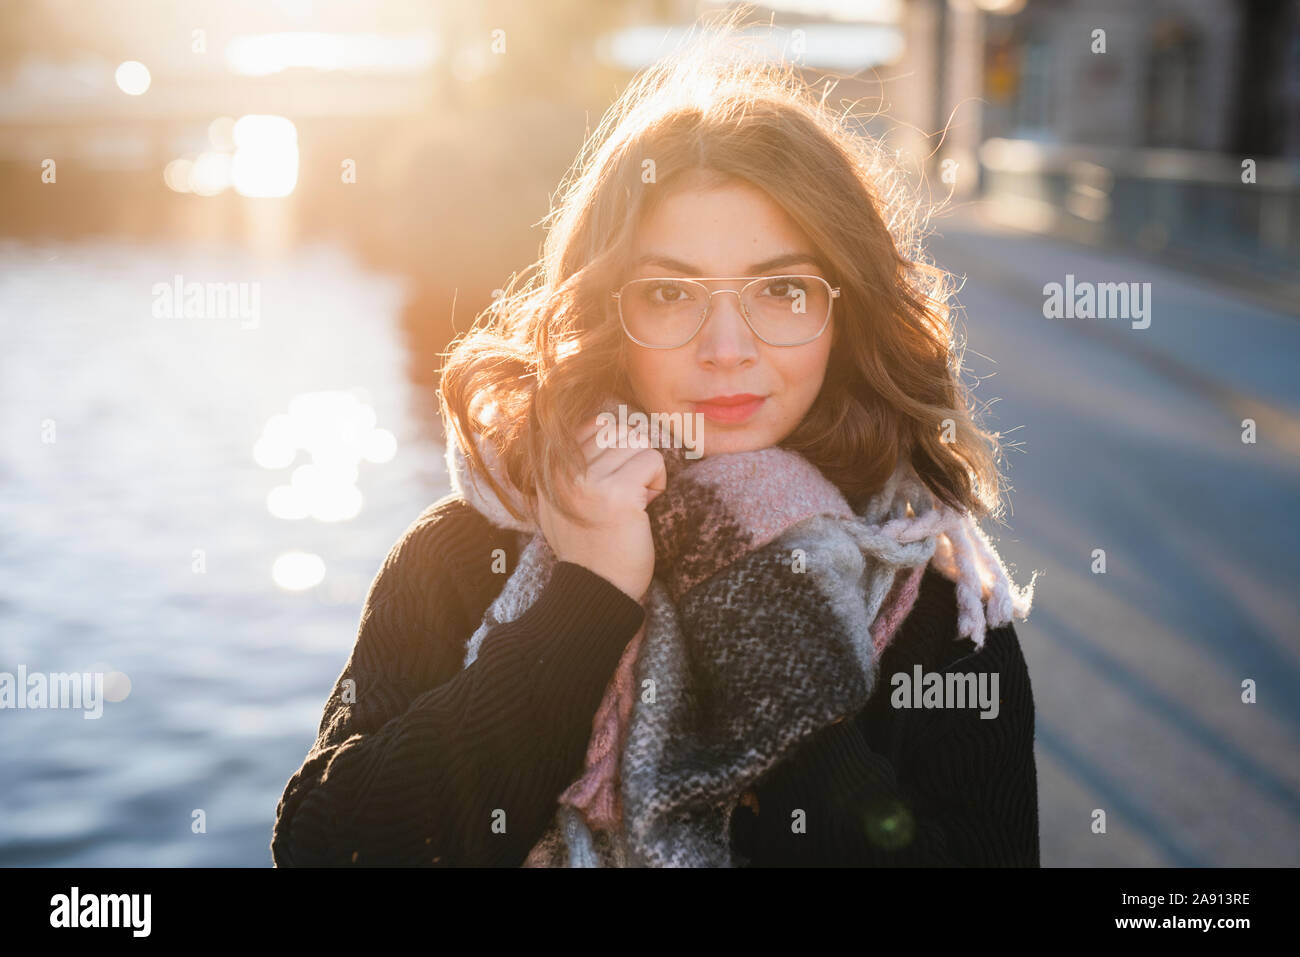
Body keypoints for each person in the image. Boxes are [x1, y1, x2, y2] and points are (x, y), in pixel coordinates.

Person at [271, 8, 1040, 868]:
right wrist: (586, 598)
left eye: (780, 290)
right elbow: (324, 850)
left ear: (844, 310)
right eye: (671, 295)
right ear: (608, 313)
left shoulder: (940, 613)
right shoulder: (465, 554)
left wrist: (769, 630)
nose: (727, 349)